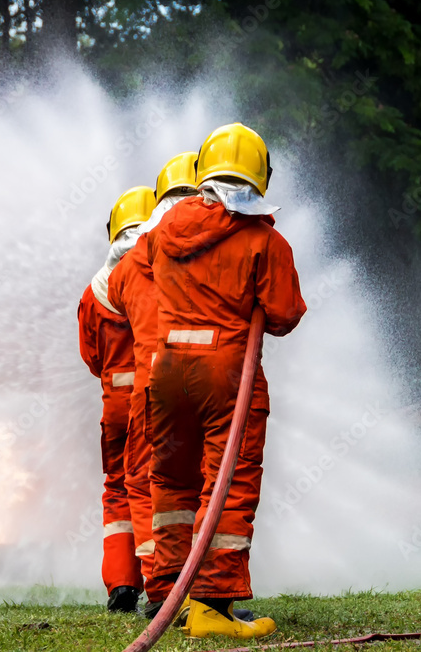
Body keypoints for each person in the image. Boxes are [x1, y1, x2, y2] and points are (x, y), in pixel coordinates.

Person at [145, 123, 307, 638]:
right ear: (260, 176)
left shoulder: (162, 231)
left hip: (166, 371)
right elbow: (282, 315)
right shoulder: (264, 240)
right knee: (227, 484)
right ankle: (211, 607)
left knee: (172, 481)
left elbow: (147, 272)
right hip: (227, 374)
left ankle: (167, 589)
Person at [107, 154, 199, 619]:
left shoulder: (127, 267)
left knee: (147, 489)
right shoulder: (221, 244)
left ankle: (158, 584)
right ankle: (202, 588)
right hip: (206, 389)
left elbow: (98, 329)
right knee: (207, 484)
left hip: (147, 394)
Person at [76, 186, 155, 612]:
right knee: (158, 488)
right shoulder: (159, 277)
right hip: (153, 399)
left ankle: (122, 585)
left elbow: (91, 357)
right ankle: (162, 578)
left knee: (118, 490)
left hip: (115, 407)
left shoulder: (93, 293)